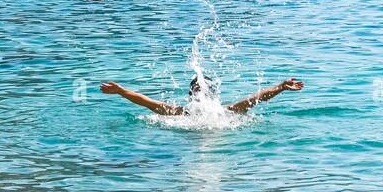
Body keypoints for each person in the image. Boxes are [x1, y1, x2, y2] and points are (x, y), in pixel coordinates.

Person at [99, 76, 303, 116]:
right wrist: (121, 91)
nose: (200, 91)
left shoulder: (224, 112)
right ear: (191, 94)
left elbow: (254, 99)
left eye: (203, 88)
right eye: (197, 88)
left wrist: (281, 87)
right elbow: (147, 103)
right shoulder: (181, 114)